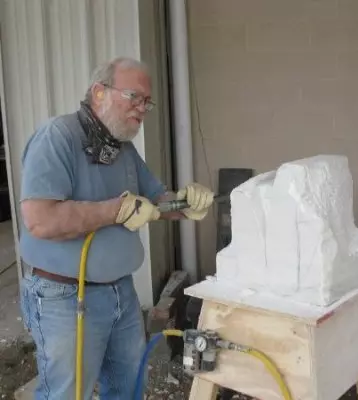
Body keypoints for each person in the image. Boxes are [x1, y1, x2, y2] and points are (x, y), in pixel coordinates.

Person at [19, 57, 213, 399]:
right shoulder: (57, 138)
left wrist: (185, 204)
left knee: (127, 388)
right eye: (133, 97)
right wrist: (115, 210)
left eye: (146, 102)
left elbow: (154, 199)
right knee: (67, 393)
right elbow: (40, 219)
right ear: (99, 93)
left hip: (120, 292)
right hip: (65, 297)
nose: (142, 108)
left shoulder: (121, 148)